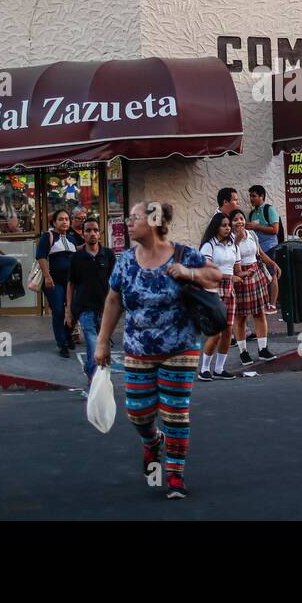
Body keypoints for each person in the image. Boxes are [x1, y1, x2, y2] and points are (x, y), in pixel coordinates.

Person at [96, 201, 220, 500]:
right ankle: (152, 441)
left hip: (179, 347)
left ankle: (175, 476)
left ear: (153, 221)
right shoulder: (125, 261)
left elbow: (215, 275)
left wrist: (189, 274)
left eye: (134, 218)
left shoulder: (183, 254)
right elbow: (113, 300)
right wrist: (102, 341)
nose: (128, 222)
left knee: (175, 413)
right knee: (137, 413)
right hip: (137, 349)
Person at [67, 216, 115, 383]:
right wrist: (69, 311)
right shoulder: (76, 257)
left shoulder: (108, 255)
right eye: (88, 231)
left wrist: (114, 307)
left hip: (105, 309)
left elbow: (114, 284)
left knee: (103, 343)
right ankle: (95, 378)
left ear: (100, 234)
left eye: (95, 230)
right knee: (92, 342)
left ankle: (89, 368)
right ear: (83, 234)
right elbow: (71, 284)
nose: (92, 233)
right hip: (84, 308)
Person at [230, 209, 280, 362]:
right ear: (231, 224)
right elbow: (228, 258)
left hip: (256, 275)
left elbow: (260, 253)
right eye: (235, 219)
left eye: (241, 218)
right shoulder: (229, 238)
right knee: (241, 317)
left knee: (260, 313)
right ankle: (243, 352)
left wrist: (273, 264)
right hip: (240, 276)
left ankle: (263, 349)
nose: (239, 222)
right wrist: (236, 241)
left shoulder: (251, 234)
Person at [197, 212, 240, 381]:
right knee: (215, 332)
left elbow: (237, 270)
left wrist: (246, 274)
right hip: (212, 291)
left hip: (229, 290)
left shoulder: (233, 245)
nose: (228, 228)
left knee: (228, 331)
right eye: (224, 225)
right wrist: (230, 277)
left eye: (229, 225)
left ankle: (220, 369)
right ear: (216, 227)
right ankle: (204, 369)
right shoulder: (208, 246)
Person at [36, 208, 83, 357]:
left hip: (71, 282)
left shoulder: (71, 238)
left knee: (75, 309)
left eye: (67, 219)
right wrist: (47, 277)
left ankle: (67, 334)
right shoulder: (48, 236)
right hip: (54, 282)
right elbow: (41, 257)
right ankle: (62, 344)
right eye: (61, 219)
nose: (65, 222)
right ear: (54, 222)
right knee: (58, 311)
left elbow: (76, 253)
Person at [246, 185, 283, 314]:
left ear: (261, 196)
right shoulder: (252, 213)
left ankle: (272, 305)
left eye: (254, 196)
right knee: (262, 275)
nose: (251, 199)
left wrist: (257, 226)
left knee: (272, 274)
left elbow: (275, 230)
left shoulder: (269, 210)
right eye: (250, 196)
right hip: (258, 249)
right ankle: (264, 302)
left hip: (270, 247)